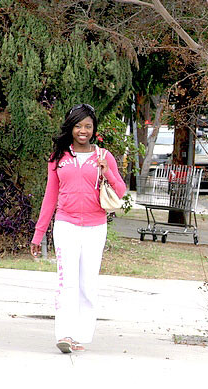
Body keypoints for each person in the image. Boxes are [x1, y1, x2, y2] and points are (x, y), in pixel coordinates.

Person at [30, 104, 126, 354]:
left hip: (95, 228)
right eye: (78, 125)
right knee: (67, 282)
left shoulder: (104, 156)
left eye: (87, 126)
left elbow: (121, 192)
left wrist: (108, 173)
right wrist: (39, 233)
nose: (83, 130)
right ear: (70, 127)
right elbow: (50, 197)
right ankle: (64, 335)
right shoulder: (59, 158)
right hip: (66, 225)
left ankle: (81, 335)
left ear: (93, 129)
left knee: (88, 284)